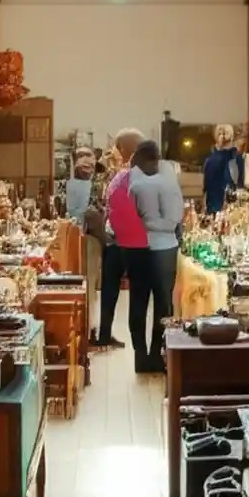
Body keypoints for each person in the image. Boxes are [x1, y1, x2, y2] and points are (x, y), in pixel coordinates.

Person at [129, 140, 183, 372]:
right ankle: (157, 355)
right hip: (164, 248)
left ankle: (142, 357)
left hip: (138, 247)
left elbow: (126, 214)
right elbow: (174, 219)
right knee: (162, 304)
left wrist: (144, 223)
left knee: (139, 303)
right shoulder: (168, 179)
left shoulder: (133, 180)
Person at [103, 129, 152, 370]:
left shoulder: (119, 179)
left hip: (120, 243)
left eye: (117, 147)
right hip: (142, 246)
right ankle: (148, 357)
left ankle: (140, 355)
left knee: (132, 301)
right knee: (144, 302)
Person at [96, 129, 144, 348]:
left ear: (125, 149)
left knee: (113, 290)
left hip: (122, 240)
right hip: (128, 241)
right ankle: (109, 335)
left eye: (117, 146)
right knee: (119, 290)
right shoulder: (133, 172)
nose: (113, 150)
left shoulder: (131, 174)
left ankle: (108, 335)